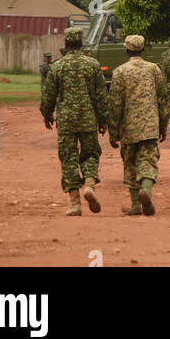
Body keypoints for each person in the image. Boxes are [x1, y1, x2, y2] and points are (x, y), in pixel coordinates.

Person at [40, 26, 108, 216]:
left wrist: (47, 116)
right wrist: (103, 120)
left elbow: (48, 96)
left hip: (66, 120)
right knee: (91, 154)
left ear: (66, 44)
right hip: (88, 118)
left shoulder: (57, 66)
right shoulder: (93, 65)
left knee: (68, 158)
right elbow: (101, 96)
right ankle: (89, 185)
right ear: (81, 43)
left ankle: (75, 203)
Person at [107, 34, 169, 216]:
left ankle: (136, 204)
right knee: (148, 160)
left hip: (128, 128)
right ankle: (147, 192)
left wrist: (113, 131)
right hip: (150, 125)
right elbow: (162, 99)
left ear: (126, 50)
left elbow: (115, 104)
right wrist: (163, 125)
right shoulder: (154, 69)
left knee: (130, 163)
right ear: (143, 49)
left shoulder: (119, 72)